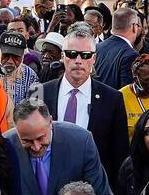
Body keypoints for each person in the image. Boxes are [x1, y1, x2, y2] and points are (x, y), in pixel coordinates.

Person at [6, 96, 113, 195]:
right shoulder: (5, 147)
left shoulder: (81, 142)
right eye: (27, 141)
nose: (36, 147)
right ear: (16, 129)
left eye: (41, 138)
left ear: (50, 122)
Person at [42, 23, 129, 186]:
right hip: (48, 186)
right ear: (62, 56)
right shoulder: (41, 93)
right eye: (72, 54)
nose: (78, 61)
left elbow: (119, 154)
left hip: (94, 188)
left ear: (94, 58)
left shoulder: (112, 99)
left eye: (86, 55)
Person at [93, 8, 141, 90]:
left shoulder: (97, 47)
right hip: (116, 102)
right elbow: (128, 92)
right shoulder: (131, 55)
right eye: (137, 25)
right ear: (133, 27)